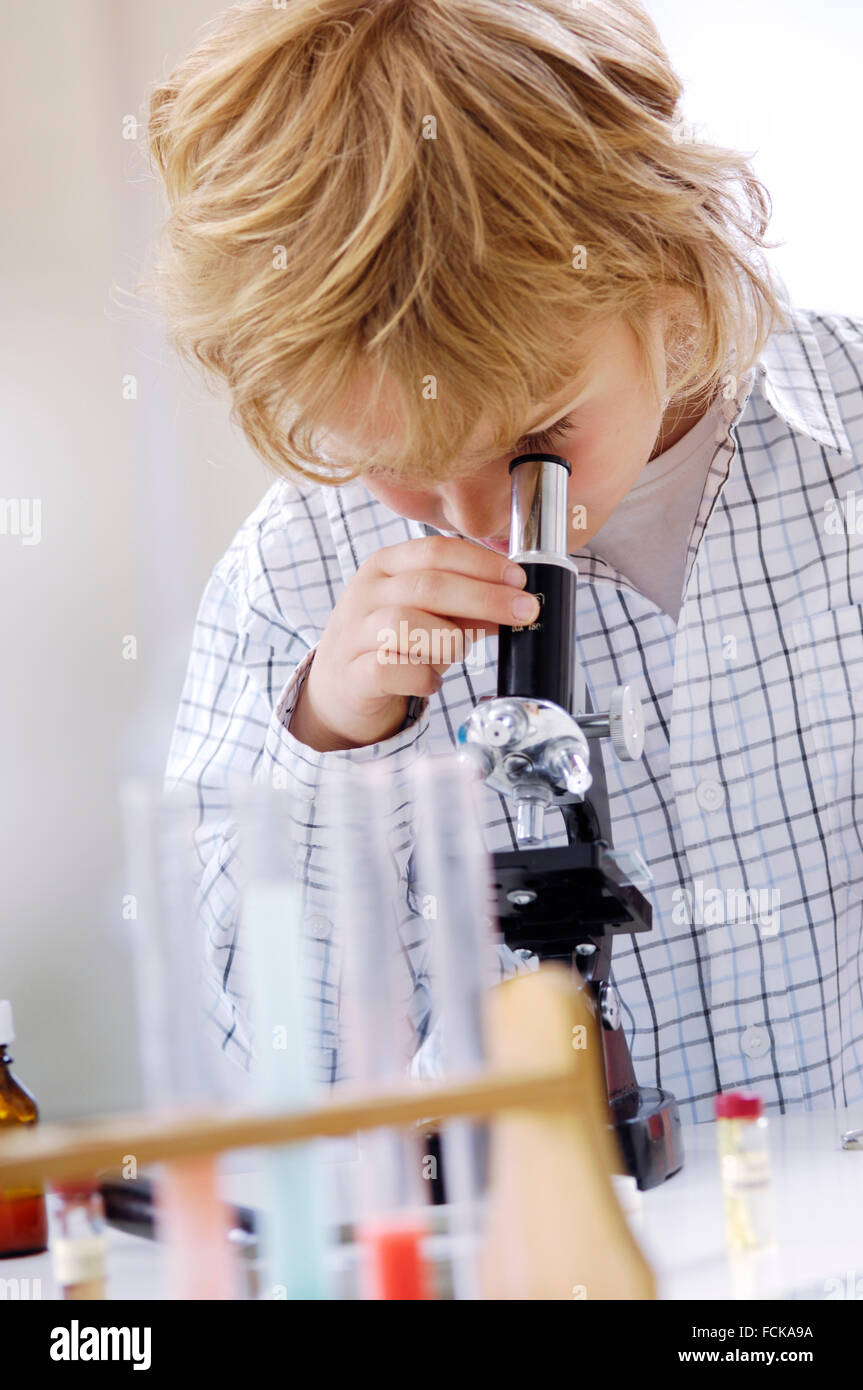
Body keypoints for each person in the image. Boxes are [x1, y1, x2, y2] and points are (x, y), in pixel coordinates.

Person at [150, 0, 863, 1122]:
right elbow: (281, 1080)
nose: (480, 517)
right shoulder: (291, 584)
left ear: (665, 275)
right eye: (401, 461)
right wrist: (334, 742)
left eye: (535, 443)